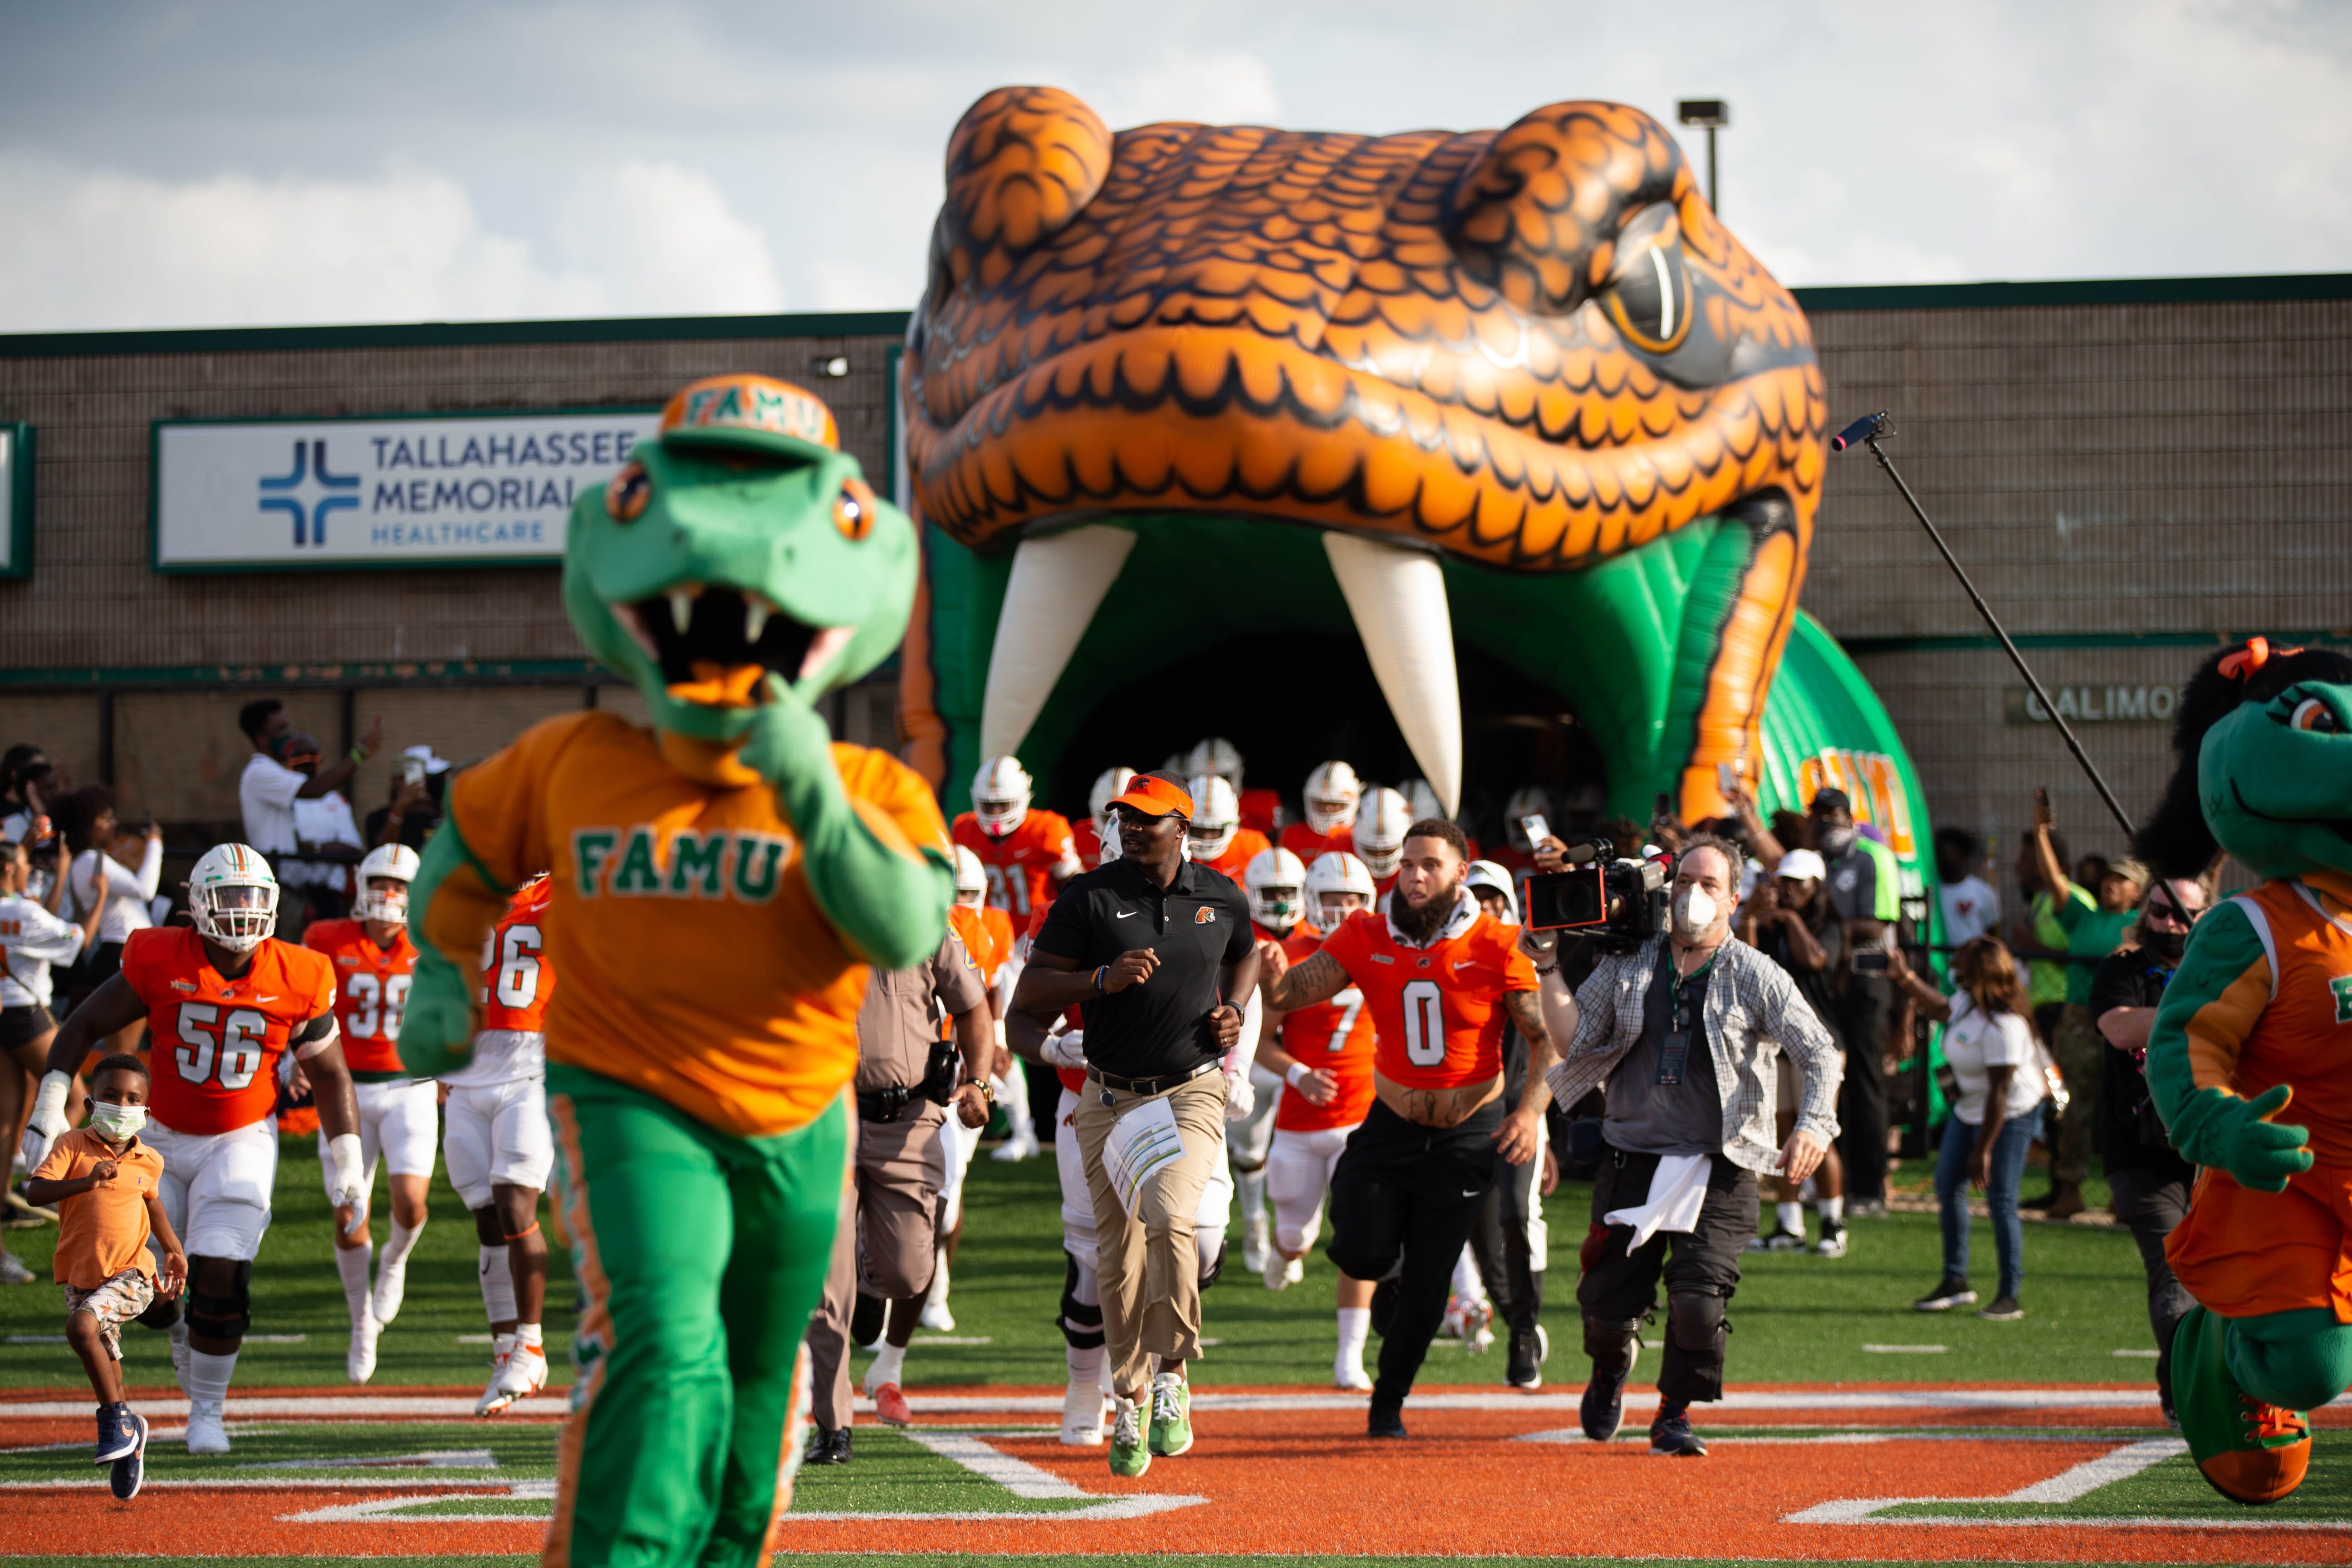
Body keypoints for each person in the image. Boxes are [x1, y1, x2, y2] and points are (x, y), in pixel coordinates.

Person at [22, 843, 362, 1455]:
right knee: (149, 1293)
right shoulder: (159, 955)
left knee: (223, 1272)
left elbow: (333, 1075)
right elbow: (81, 1026)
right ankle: (174, 1328)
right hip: (151, 1142)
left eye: (253, 898)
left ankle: (207, 1411)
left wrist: (350, 1166)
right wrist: (49, 1109)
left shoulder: (300, 973)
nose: (241, 911)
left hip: (239, 1138)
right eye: (229, 897)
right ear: (199, 902)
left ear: (272, 903)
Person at [1544, 833, 1839, 1458]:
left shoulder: (1755, 973)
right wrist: (1546, 967)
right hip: (1633, 1155)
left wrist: (1813, 1124)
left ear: (1734, 898)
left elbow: (1820, 1051)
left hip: (1722, 1163)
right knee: (1603, 1311)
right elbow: (1572, 1040)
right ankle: (1610, 1369)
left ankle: (1673, 1413)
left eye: (1709, 885)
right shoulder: (1630, 959)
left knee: (1699, 1302)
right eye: (1682, 881)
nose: (1692, 895)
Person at [1261, 818, 1551, 1437]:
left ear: (1461, 874)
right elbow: (1288, 993)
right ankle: (1386, 1285)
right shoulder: (1366, 932)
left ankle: (1387, 1401)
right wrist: (1263, 964)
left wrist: (1530, 1112)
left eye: (1431, 865)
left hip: (1469, 1133)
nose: (1415, 877)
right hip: (1389, 1121)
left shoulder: (1500, 943)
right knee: (1361, 1247)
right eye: (1408, 864)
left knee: (1429, 1282)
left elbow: (1547, 1038)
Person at [1014, 770, 1256, 1478]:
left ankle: (1174, 1373)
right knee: (1113, 1258)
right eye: (1126, 815)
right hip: (1108, 1098)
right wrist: (1100, 981)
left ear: (1184, 825)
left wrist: (1234, 1013)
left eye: (1149, 817)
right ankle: (1131, 1393)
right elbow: (1029, 995)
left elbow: (1245, 956)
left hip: (1189, 1090)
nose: (1133, 826)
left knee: (1172, 1217)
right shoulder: (1088, 897)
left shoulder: (1220, 894)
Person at [803, 927, 993, 1464]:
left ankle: (870, 1285)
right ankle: (833, 1425)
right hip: (822, 1119)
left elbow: (974, 1007)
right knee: (825, 1286)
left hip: (907, 1117)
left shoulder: (924, 922)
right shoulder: (794, 916)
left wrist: (978, 1083)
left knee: (909, 1272)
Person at [24, 1054, 186, 1501]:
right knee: (104, 1354)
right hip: (82, 1273)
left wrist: (173, 1250)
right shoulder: (72, 1145)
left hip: (132, 1272)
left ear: (146, 1112)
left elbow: (152, 1204)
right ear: (93, 1102)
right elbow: (35, 1190)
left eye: (133, 1098)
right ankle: (131, 1433)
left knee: (81, 1328)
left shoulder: (148, 1159)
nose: (121, 1105)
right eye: (111, 1096)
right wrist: (87, 1182)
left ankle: (113, 1420)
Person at [300, 843, 430, 1383]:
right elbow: (302, 1006)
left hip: (409, 1087)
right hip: (345, 1090)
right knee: (350, 1216)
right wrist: (295, 1058)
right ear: (360, 883)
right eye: (380, 881)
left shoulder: (431, 940)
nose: (388, 893)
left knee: (412, 1202)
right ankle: (361, 1323)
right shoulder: (326, 939)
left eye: (400, 885)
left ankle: (395, 1262)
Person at [1254, 851, 1380, 1372]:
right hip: (1301, 1122)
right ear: (1313, 901)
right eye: (1333, 899)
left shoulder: (1384, 951)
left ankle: (1349, 1357)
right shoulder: (1290, 953)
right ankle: (1284, 1257)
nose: (1344, 908)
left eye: (1353, 900)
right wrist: (1299, 1074)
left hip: (1362, 1120)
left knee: (1359, 1237)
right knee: (1295, 1239)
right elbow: (1259, 1043)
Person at [2090, 875, 2209, 1425]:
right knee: (2173, 1275)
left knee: (2224, 1274)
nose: (2168, 925)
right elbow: (2119, 1028)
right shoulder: (2125, 970)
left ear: (2204, 916)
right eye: (2159, 912)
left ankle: (2198, 1382)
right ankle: (2186, 1394)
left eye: (2180, 916)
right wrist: (2201, 1015)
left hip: (2211, 1146)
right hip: (2141, 1151)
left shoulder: (2221, 969)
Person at [440, 874, 558, 1416]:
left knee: (516, 1205)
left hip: (531, 1068)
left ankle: (532, 1344)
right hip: (468, 1075)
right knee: (487, 1219)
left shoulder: (569, 887)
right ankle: (505, 1350)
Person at [1888, 936, 2045, 1320]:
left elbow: (2001, 1093)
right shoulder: (1968, 1004)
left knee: (2001, 1200)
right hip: (1971, 1108)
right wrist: (1905, 978)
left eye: (1961, 965)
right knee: (1948, 1184)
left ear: (1980, 973)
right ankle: (1955, 1281)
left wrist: (1983, 1150)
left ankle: (2010, 1293)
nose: (1953, 969)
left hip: (2007, 1113)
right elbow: (1941, 1008)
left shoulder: (2005, 1025)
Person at [2029, 791, 2146, 1218]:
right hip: (2080, 1021)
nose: (2110, 882)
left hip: (2130, 1023)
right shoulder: (2083, 916)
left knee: (2127, 1109)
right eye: (2108, 877)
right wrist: (2041, 832)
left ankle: (2124, 1193)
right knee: (2072, 1109)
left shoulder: (2146, 926)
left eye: (2121, 878)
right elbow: (2054, 879)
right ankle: (2069, 1188)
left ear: (2138, 891)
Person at [0, 830, 102, 1283]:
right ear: (8, 870)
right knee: (78, 1099)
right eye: (25, 864)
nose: (31, 872)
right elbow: (78, 941)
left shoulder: (21, 907)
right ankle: (54, 1183)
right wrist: (97, 899)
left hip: (8, 1011)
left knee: (5, 1123)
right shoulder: (21, 910)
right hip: (26, 1014)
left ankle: (12, 1212)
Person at [1738, 848, 1850, 1256]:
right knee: (1783, 1135)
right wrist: (1751, 918)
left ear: (1815, 887)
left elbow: (1816, 960)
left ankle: (1833, 1224)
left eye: (1796, 884)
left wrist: (1791, 921)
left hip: (1821, 1044)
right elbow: (1749, 966)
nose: (1787, 891)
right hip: (1779, 1045)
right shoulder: (1772, 924)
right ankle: (1789, 1224)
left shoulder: (1829, 926)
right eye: (1783, 883)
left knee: (1817, 1134)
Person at [1810, 787, 1899, 1217]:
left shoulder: (1871, 856)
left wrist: (1835, 930)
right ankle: (1834, 1181)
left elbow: (1878, 923)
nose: (1824, 822)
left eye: (1832, 814)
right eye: (1818, 814)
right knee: (1831, 1082)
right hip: (1830, 983)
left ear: (1848, 815)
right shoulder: (1819, 859)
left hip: (1866, 976)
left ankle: (1870, 1186)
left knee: (1865, 1082)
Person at [58, 787, 162, 1044]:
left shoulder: (91, 860)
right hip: (122, 955)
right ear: (86, 825)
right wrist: (155, 842)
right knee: (122, 1051)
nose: (113, 824)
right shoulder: (90, 861)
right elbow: (145, 889)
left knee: (127, 1049)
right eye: (105, 818)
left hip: (125, 954)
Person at [237, 699, 381, 870]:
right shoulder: (259, 772)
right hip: (275, 878)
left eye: (287, 727)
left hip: (298, 883)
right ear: (261, 737)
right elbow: (316, 788)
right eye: (280, 729)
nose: (289, 734)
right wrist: (359, 754)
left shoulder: (276, 772)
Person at [953, 755, 1081, 921]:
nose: (995, 813)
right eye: (988, 805)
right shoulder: (963, 829)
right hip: (987, 930)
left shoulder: (1047, 828)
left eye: (1004, 804)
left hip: (1037, 931)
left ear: (1023, 798)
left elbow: (1075, 886)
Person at [280, 732, 367, 924]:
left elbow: (353, 848)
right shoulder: (281, 799)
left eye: (311, 756)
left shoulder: (336, 801)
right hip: (292, 892)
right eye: (300, 756)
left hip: (331, 894)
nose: (306, 763)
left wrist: (317, 848)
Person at [1184, 774, 1271, 888]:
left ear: (1233, 826)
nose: (1207, 837)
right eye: (1198, 830)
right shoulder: (1172, 852)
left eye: (1215, 830)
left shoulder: (1254, 847)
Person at [365, 749, 448, 853]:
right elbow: (383, 852)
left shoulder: (434, 819)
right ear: (397, 780)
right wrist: (399, 808)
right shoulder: (377, 818)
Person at [1279, 761, 1360, 862]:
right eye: (1321, 803)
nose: (1328, 809)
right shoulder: (1291, 836)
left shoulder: (1359, 837)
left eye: (1335, 804)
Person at [1936, 828, 2001, 948]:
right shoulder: (1932, 892)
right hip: (1938, 963)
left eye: (1948, 852)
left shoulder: (1984, 892)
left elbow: (1993, 933)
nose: (1943, 858)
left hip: (1973, 965)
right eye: (1940, 853)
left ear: (1963, 855)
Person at [1350, 786, 1411, 896]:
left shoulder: (1420, 862)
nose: (1380, 856)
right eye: (1371, 850)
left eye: (1389, 850)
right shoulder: (1337, 843)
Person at [1073, 767, 1134, 871]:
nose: (1113, 825)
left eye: (1122, 817)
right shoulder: (1078, 834)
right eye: (1107, 818)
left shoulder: (1146, 840)